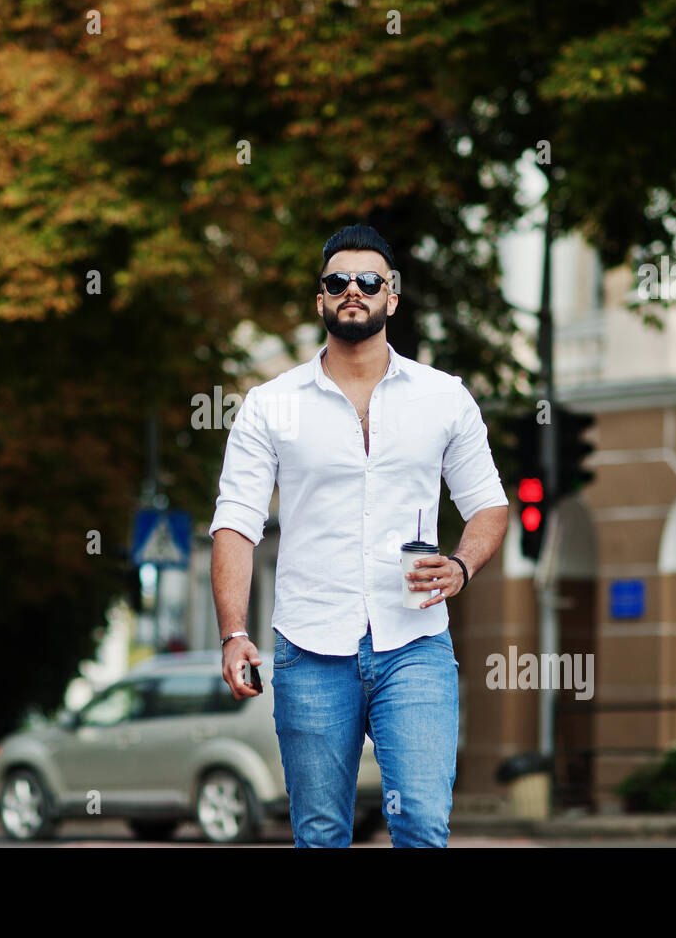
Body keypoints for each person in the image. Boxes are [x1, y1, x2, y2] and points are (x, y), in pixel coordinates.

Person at [208, 223, 509, 847]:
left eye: (370, 281)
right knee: (321, 835)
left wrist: (461, 566)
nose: (354, 290)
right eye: (337, 281)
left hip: (415, 644)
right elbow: (236, 523)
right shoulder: (271, 404)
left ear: (391, 297)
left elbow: (488, 507)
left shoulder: (443, 397)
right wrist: (234, 632)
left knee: (422, 823)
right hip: (311, 646)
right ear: (320, 300)